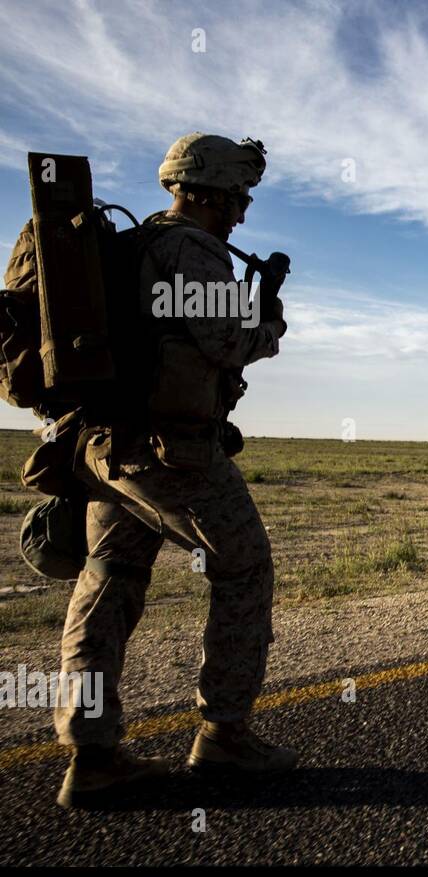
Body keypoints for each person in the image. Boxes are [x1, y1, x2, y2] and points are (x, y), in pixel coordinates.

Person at [53, 132, 294, 809]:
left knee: (109, 579)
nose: (242, 212)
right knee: (244, 565)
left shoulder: (135, 246)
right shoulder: (190, 249)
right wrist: (269, 324)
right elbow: (225, 341)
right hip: (170, 451)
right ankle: (225, 734)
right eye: (238, 197)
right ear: (212, 191)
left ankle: (92, 751)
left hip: (108, 450)